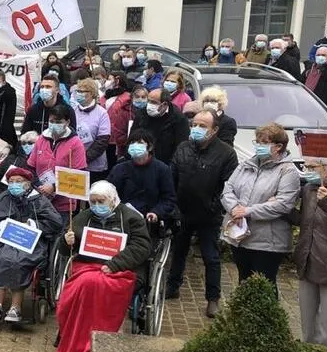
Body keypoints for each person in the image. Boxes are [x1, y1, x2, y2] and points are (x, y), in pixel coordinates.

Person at [56, 181, 151, 352]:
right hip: (87, 267)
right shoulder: (84, 217)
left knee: (96, 285)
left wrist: (115, 264)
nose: (97, 206)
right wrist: (66, 241)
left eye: (101, 201)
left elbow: (141, 247)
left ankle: (96, 344)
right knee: (80, 287)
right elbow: (66, 250)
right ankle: (75, 342)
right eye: (93, 202)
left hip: (120, 270)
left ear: (113, 200)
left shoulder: (131, 218)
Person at [165, 108, 238, 317]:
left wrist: (213, 207)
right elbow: (173, 176)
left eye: (202, 126)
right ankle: (172, 286)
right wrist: (174, 207)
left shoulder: (226, 153)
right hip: (183, 212)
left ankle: (213, 299)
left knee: (211, 257)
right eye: (194, 125)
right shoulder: (183, 148)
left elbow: (228, 187)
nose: (196, 129)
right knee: (179, 251)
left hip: (208, 215)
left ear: (214, 130)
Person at [0, 167, 63, 323]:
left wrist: (33, 224)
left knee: (17, 261)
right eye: (11, 182)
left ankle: (16, 307)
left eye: (19, 182)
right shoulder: (4, 198)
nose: (14, 185)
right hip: (4, 240)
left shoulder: (39, 200)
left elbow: (55, 223)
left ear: (28, 183)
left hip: (31, 243)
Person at [220, 122, 300, 289]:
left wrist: (248, 211)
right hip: (240, 236)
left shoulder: (287, 171)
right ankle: (242, 316)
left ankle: (266, 316)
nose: (259, 146)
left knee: (264, 285)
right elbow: (228, 188)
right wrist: (234, 208)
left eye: (264, 142)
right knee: (244, 281)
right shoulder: (247, 164)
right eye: (257, 141)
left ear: (278, 146)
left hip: (267, 241)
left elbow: (283, 204)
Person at [292, 160, 327, 347]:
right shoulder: (309, 189)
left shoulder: (325, 194)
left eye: (312, 167)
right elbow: (305, 221)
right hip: (308, 261)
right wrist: (283, 210)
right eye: (306, 167)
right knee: (307, 326)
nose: (308, 172)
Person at [107, 129, 178, 224]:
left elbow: (168, 199)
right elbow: (108, 193)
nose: (135, 145)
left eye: (140, 142)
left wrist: (156, 212)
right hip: (121, 218)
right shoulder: (119, 168)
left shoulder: (162, 169)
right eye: (132, 142)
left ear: (150, 147)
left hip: (149, 220)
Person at [29, 104, 87, 217]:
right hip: (39, 197)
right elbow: (30, 166)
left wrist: (54, 187)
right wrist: (39, 186)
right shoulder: (41, 139)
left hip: (64, 203)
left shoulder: (75, 143)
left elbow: (79, 175)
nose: (54, 124)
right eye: (52, 121)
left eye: (59, 122)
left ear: (67, 122)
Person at [132, 89, 189, 165]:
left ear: (164, 104)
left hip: (165, 164)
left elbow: (180, 147)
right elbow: (132, 138)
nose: (149, 105)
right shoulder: (141, 114)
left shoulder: (178, 119)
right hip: (140, 161)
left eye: (153, 102)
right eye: (148, 101)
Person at [71, 78, 111, 184]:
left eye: (82, 92)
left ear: (92, 93)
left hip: (95, 166)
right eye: (78, 91)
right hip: (74, 164)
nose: (79, 94)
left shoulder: (102, 113)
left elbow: (102, 140)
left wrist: (85, 158)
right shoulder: (73, 111)